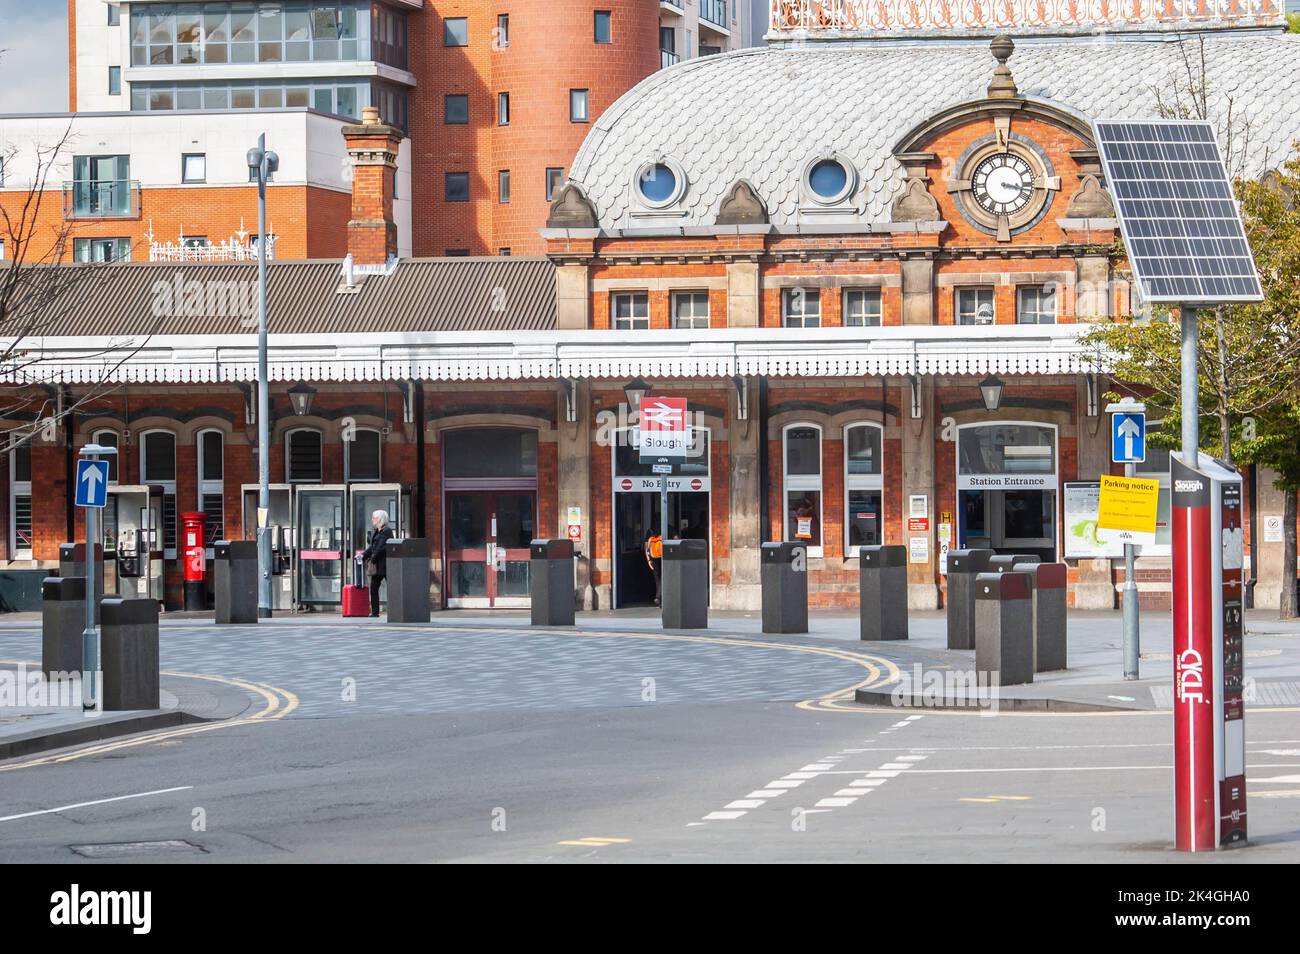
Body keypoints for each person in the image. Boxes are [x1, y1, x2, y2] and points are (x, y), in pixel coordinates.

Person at [360, 509, 394, 618]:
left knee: (393, 588)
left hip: (386, 565)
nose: (372, 520)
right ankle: (375, 612)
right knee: (374, 588)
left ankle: (396, 610)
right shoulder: (377, 531)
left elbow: (381, 548)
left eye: (374, 518)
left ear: (379, 519)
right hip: (378, 566)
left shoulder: (386, 531)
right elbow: (372, 547)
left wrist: (372, 559)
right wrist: (363, 555)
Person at [644, 529, 663, 606]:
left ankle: (658, 598)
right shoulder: (663, 538)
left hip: (654, 560)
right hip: (662, 559)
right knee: (663, 578)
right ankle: (659, 597)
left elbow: (647, 550)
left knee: (657, 579)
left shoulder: (650, 539)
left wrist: (649, 561)